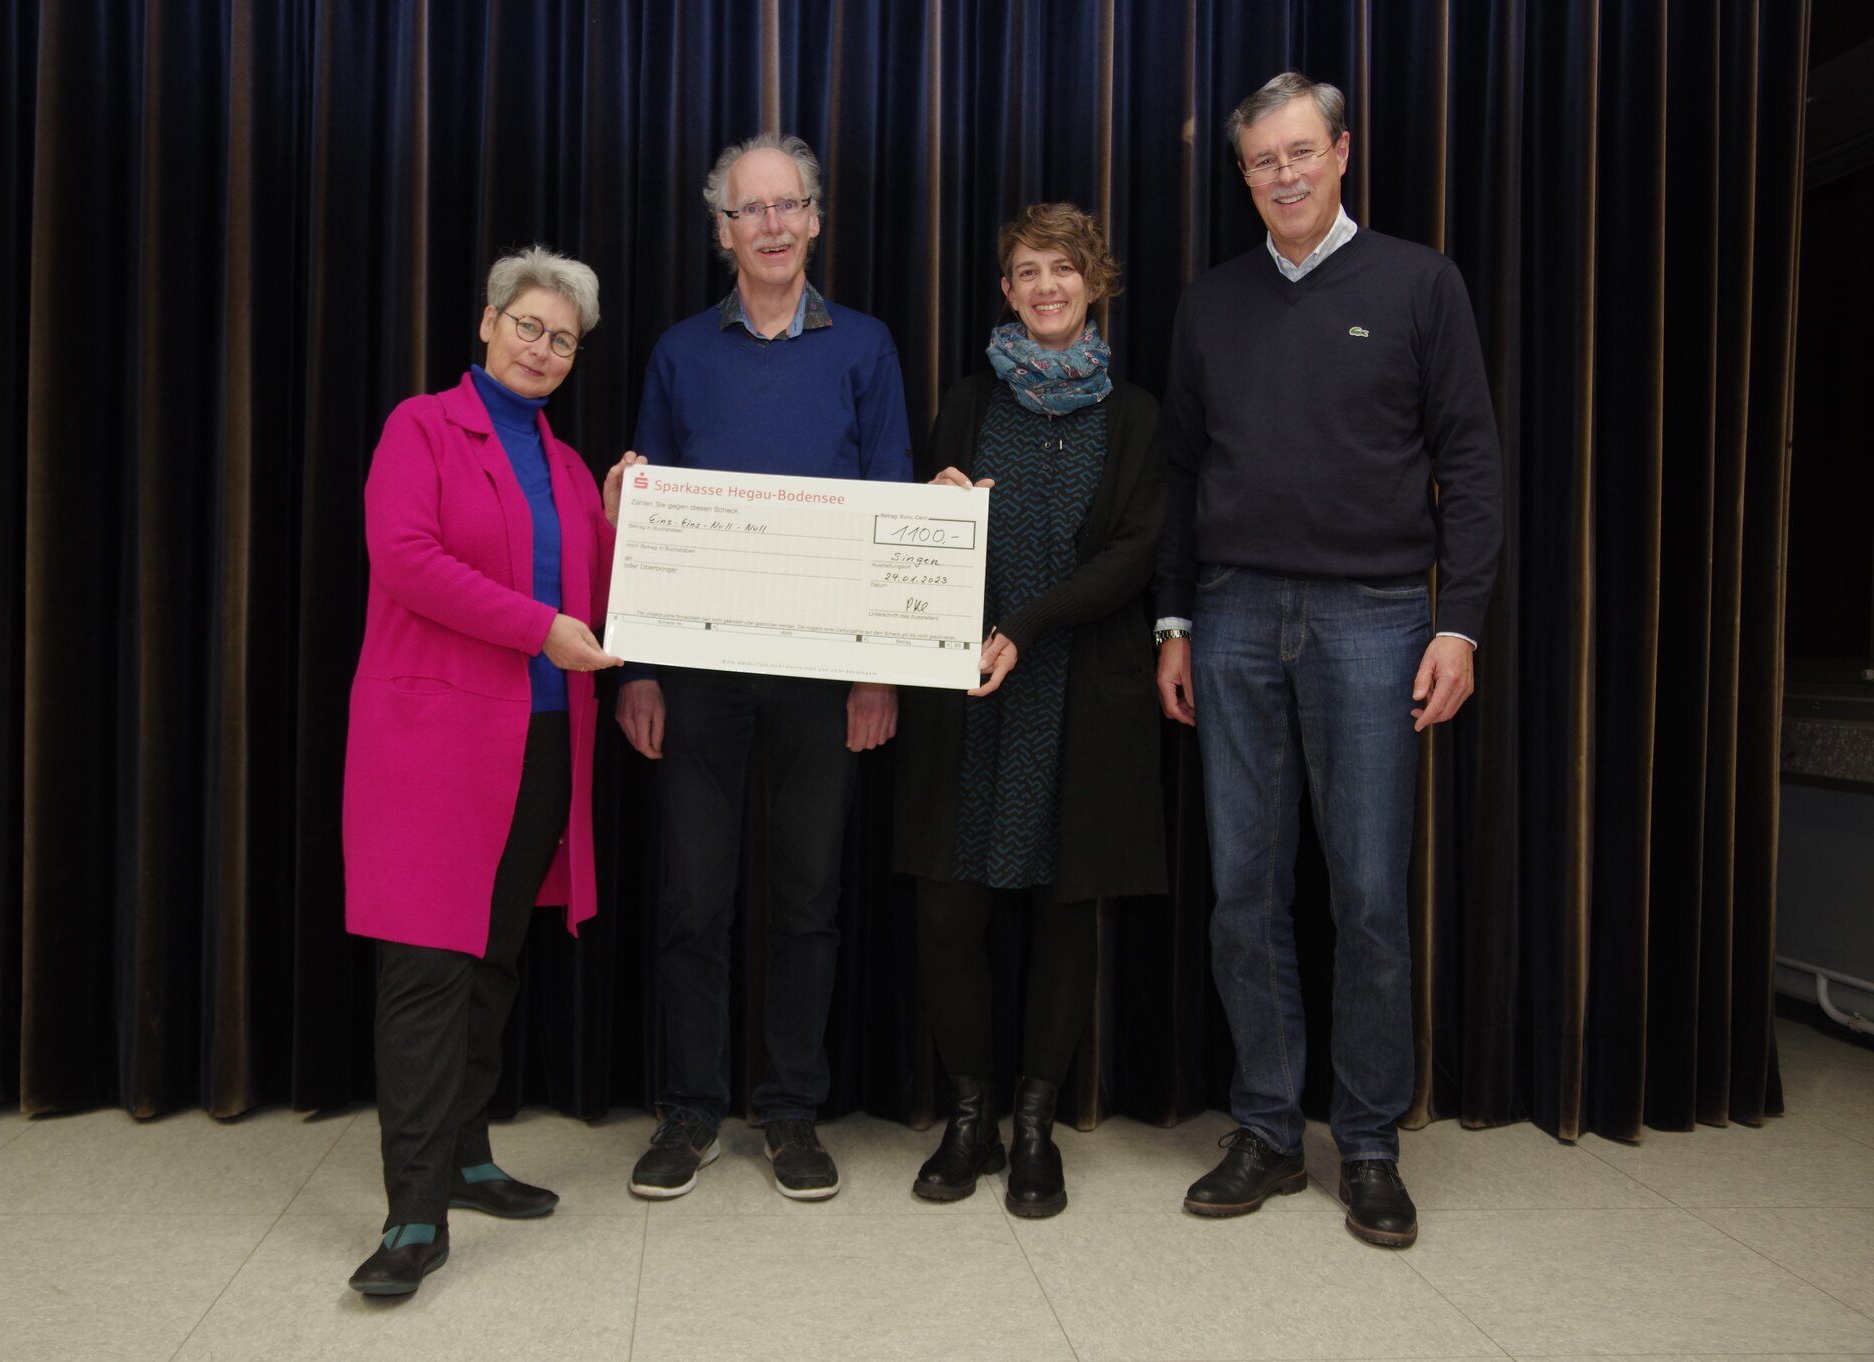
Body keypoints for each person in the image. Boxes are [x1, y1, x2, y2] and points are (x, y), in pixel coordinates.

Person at [1153, 72, 1503, 1249]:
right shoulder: (1209, 304)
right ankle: (1261, 1124)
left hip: (1377, 620)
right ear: (1243, 174)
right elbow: (1180, 478)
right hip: (1233, 614)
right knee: (1243, 893)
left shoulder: (1418, 283)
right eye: (1260, 162)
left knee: (1364, 896)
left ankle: (1364, 1143)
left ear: (1341, 152)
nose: (1283, 176)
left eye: (1300, 153)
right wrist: (1172, 624)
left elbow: (1472, 458)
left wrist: (1458, 624)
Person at [619, 131, 913, 1202]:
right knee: (693, 899)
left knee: (807, 898)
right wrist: (635, 671)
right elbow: (639, 518)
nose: (773, 225)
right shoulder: (678, 351)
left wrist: (877, 672)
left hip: (825, 679)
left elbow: (890, 506)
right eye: (750, 210)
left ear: (816, 220)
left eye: (789, 205)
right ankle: (689, 1112)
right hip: (693, 676)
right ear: (721, 231)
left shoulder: (866, 347)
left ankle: (790, 1109)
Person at [342, 246, 640, 1295]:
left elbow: (598, 593)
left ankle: (466, 1157)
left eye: (563, 340)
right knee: (427, 972)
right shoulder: (418, 428)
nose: (544, 349)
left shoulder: (564, 466)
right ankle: (412, 1218)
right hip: (432, 747)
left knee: (495, 958)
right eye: (529, 326)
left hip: (541, 743)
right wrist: (538, 630)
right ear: (486, 321)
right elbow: (407, 561)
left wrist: (620, 514)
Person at [894, 203, 1167, 1217]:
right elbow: (924, 529)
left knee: (1065, 912)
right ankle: (971, 1117)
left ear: (1092, 283)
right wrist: (936, 504)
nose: (1045, 285)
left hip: (1074, 696)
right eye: (1025, 271)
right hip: (966, 695)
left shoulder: (1136, 414)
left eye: (1064, 268)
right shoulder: (964, 401)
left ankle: (1037, 1128)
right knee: (944, 907)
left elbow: (1134, 552)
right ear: (1003, 291)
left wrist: (1030, 624)